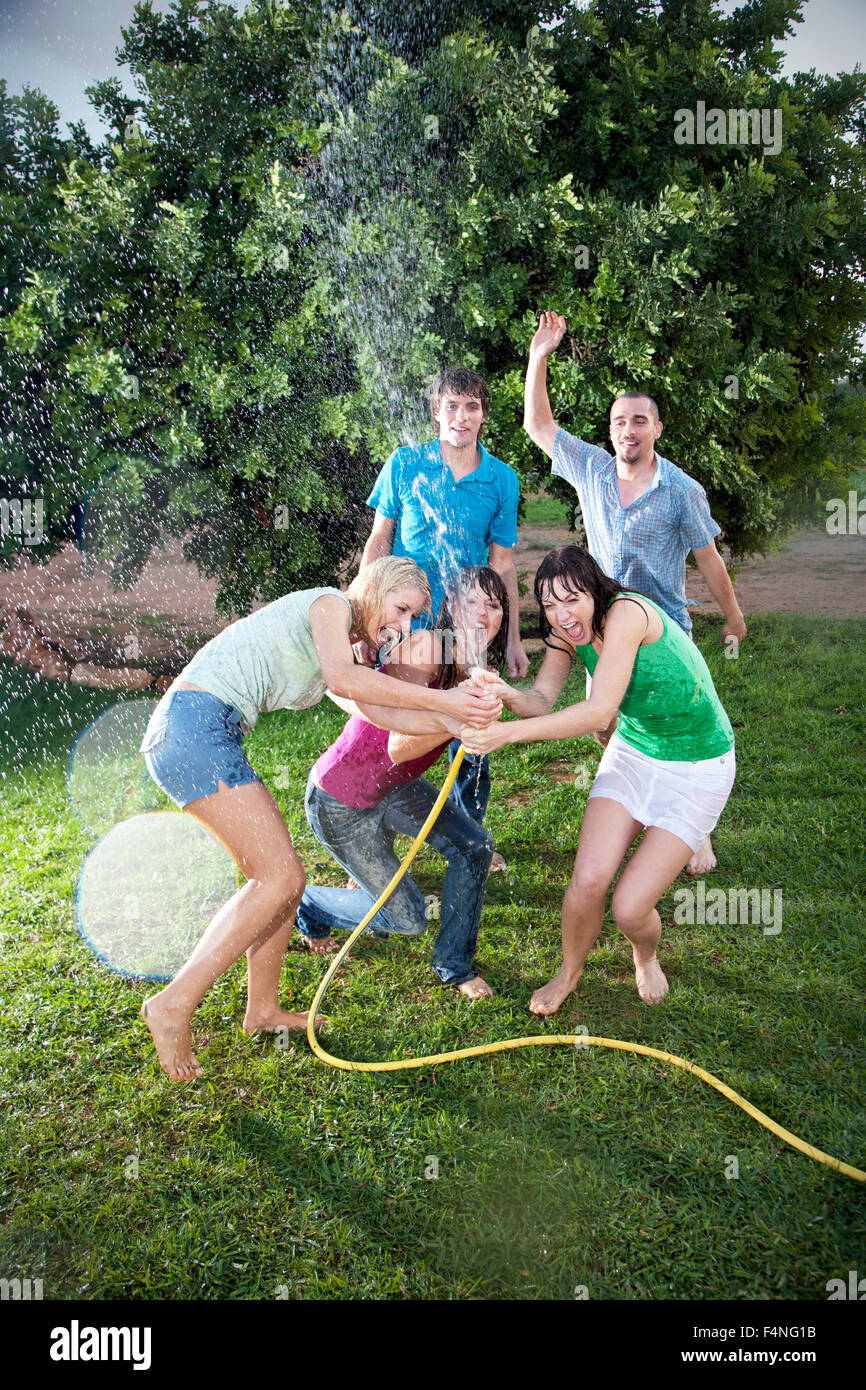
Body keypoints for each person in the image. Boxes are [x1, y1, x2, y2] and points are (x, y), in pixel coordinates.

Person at [138, 557, 500, 1080]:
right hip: (193, 729)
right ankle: (173, 1004)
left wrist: (449, 716)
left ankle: (261, 1010)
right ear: (371, 589)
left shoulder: (348, 644)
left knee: (283, 883)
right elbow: (342, 678)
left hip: (210, 733)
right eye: (399, 609)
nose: (401, 626)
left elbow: (377, 711)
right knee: (280, 877)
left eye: (413, 618)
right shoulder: (330, 604)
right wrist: (443, 697)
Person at [459, 546, 736, 1015]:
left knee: (629, 909)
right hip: (635, 752)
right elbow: (544, 699)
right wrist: (508, 694)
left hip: (698, 766)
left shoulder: (626, 614)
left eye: (572, 600)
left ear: (596, 590)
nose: (562, 616)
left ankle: (644, 956)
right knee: (588, 880)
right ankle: (568, 973)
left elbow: (599, 711)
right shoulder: (567, 635)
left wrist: (505, 735)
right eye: (549, 605)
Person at [523, 311, 746, 874]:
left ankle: (694, 830)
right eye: (620, 420)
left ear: (656, 430)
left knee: (678, 728)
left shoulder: (682, 491)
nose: (628, 429)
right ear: (611, 430)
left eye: (639, 420)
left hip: (663, 633)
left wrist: (735, 618)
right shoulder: (594, 470)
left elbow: (708, 559)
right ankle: (649, 803)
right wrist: (539, 355)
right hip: (603, 631)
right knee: (607, 725)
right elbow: (538, 427)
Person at [295, 567, 510, 998]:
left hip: (394, 788)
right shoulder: (427, 648)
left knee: (474, 847)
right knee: (407, 918)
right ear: (450, 610)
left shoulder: (473, 662)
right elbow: (397, 747)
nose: (484, 614)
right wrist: (458, 720)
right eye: (472, 603)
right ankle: (307, 905)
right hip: (342, 800)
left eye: (495, 604)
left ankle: (455, 965)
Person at [361, 366, 529, 859]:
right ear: (436, 413)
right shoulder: (405, 463)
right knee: (388, 731)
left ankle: (467, 838)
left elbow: (502, 563)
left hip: (465, 628)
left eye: (472, 407)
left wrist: (513, 637)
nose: (461, 416)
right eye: (451, 406)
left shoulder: (502, 479)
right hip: (405, 623)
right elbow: (380, 538)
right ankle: (374, 842)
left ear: (483, 417)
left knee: (470, 732)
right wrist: (366, 617)